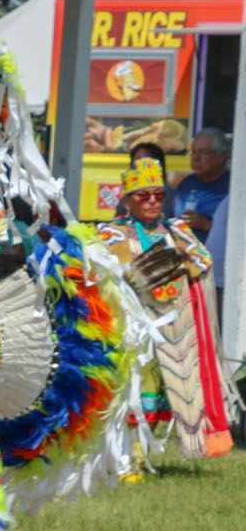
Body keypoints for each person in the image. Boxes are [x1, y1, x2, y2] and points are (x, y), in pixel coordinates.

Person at [98, 156, 237, 459]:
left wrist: (183, 258)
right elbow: (104, 271)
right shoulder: (113, 234)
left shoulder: (176, 231)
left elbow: (203, 261)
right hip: (134, 327)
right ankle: (127, 457)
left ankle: (146, 454)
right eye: (143, 196)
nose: (152, 201)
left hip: (176, 326)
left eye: (158, 195)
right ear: (127, 200)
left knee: (168, 392)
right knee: (134, 388)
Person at [174, 128, 230, 242]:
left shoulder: (232, 187)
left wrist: (206, 225)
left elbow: (239, 233)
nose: (196, 158)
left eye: (203, 152)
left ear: (221, 157)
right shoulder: (187, 184)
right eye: (193, 152)